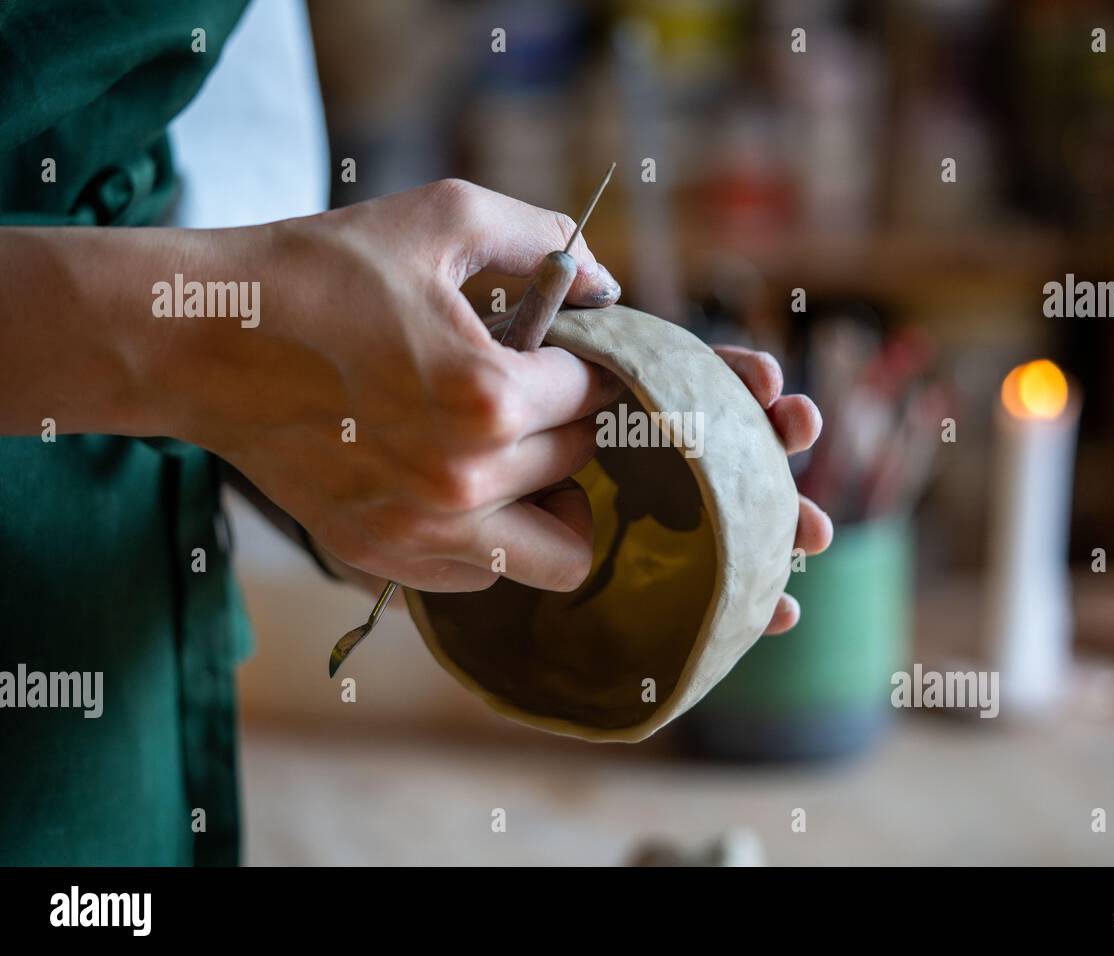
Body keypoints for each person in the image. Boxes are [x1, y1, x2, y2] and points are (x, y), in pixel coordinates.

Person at [0, 0, 832, 865]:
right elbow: (216, 331)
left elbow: (194, 202)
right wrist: (212, 349)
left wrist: (400, 473)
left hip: (104, 689)